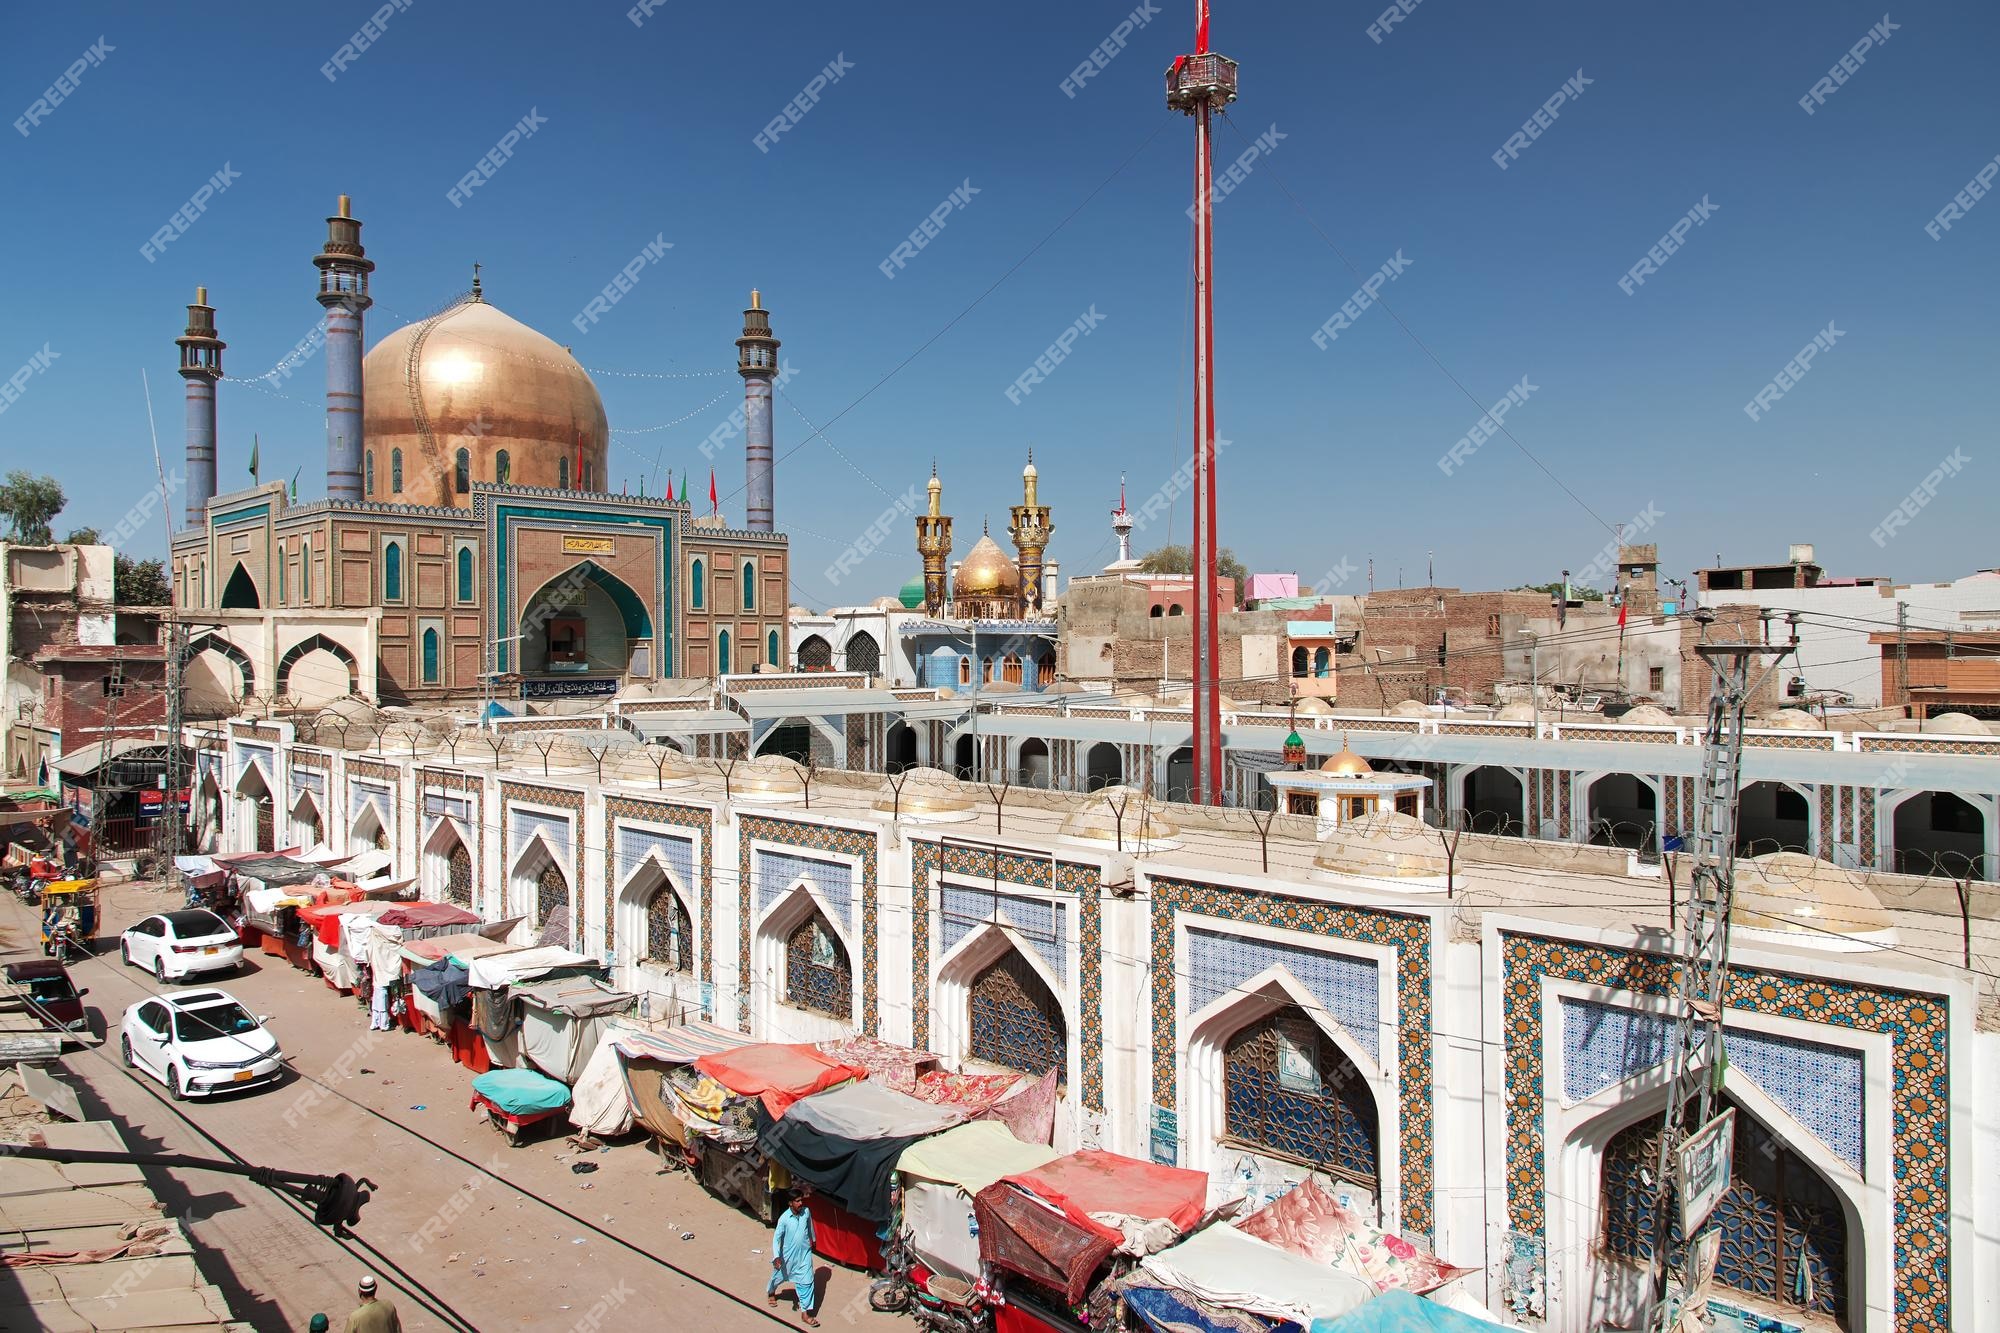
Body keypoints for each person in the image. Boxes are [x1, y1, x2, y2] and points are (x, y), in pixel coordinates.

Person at [767, 1188, 819, 1326]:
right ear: (790, 1203)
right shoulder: (784, 1219)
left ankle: (805, 1314)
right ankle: (771, 1292)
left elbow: (810, 1226)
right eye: (797, 1201)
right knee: (778, 1277)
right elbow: (776, 1239)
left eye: (801, 1200)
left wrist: (813, 1239)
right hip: (788, 1256)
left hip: (805, 1255)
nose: (801, 1203)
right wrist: (777, 1256)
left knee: (807, 1282)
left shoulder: (806, 1212)